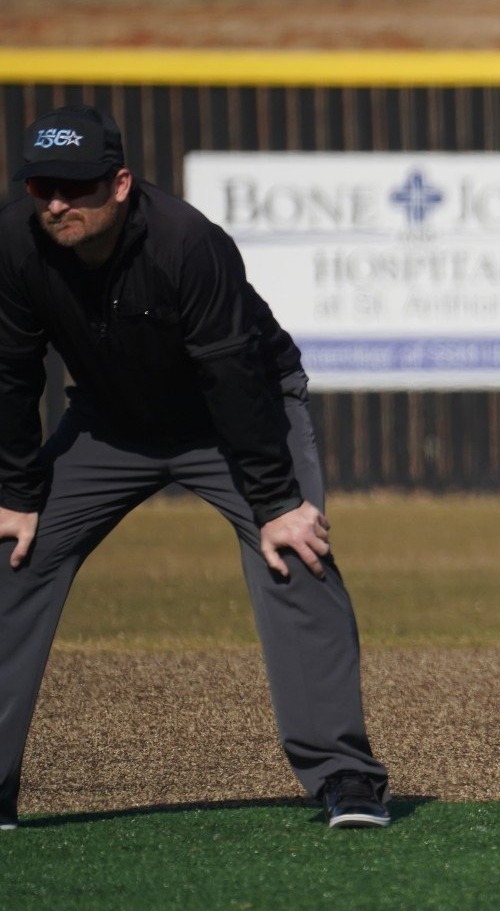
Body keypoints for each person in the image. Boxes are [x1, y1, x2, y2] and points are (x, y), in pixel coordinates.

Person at [0, 104, 390, 829]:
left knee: (293, 552)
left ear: (119, 184)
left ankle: (346, 775)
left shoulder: (188, 242)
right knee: (15, 552)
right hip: (113, 425)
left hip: (234, 417)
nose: (56, 202)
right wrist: (17, 493)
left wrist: (276, 501)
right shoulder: (15, 243)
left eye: (75, 186)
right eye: (42, 186)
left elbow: (234, 374)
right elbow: (10, 373)